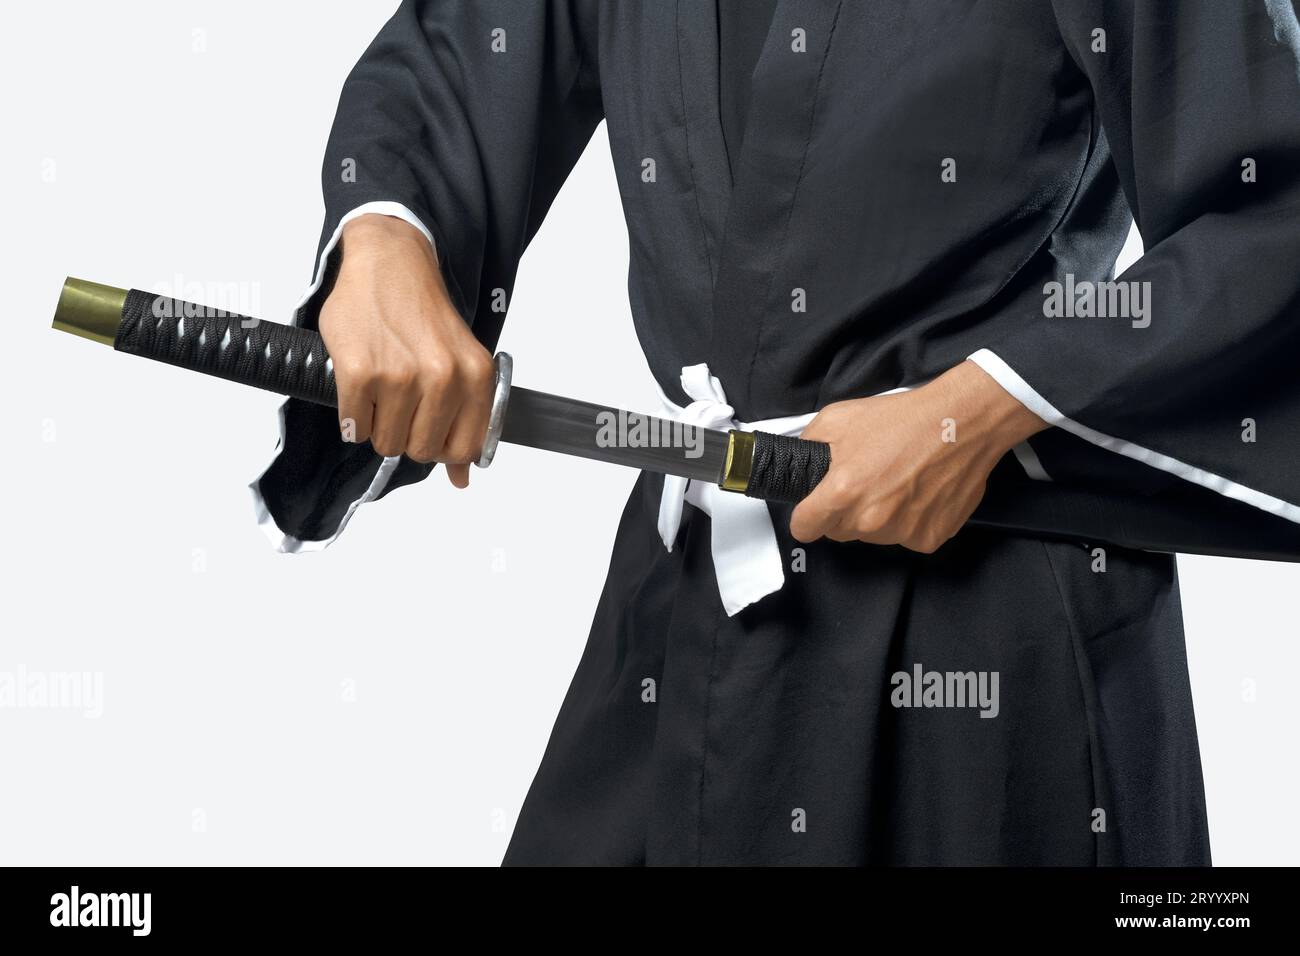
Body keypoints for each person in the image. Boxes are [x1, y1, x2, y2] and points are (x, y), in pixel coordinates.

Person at [253, 0, 1300, 864]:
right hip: (691, 596)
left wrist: (979, 408)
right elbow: (457, 51)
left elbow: (1270, 213)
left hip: (990, 629)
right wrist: (388, 234)